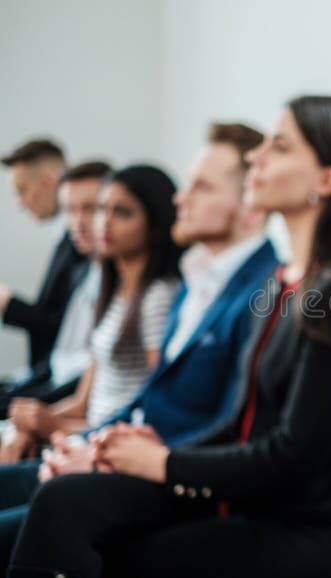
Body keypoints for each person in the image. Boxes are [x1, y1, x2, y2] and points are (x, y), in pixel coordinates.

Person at [9, 96, 331, 578]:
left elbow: (293, 457)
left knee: (89, 526)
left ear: (327, 179)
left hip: (305, 528)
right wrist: (141, 454)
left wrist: (164, 463)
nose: (256, 156)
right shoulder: (284, 283)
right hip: (255, 499)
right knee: (66, 499)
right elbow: (239, 422)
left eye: (280, 146)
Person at [0, 123, 278, 569]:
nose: (180, 198)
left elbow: (233, 420)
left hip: (181, 470)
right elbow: (150, 397)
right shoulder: (195, 281)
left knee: (58, 503)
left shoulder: (265, 290)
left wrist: (107, 455)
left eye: (201, 186)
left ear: (250, 206)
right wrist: (90, 442)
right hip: (137, 444)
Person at [0, 161, 111, 417]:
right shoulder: (82, 269)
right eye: (69, 211)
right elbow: (60, 354)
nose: (77, 223)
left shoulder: (118, 281)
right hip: (53, 382)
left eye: (91, 209)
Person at [0, 139, 87, 369]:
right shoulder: (63, 238)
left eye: (22, 191)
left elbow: (62, 326)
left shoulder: (80, 243)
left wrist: (8, 303)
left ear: (49, 181)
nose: (20, 204)